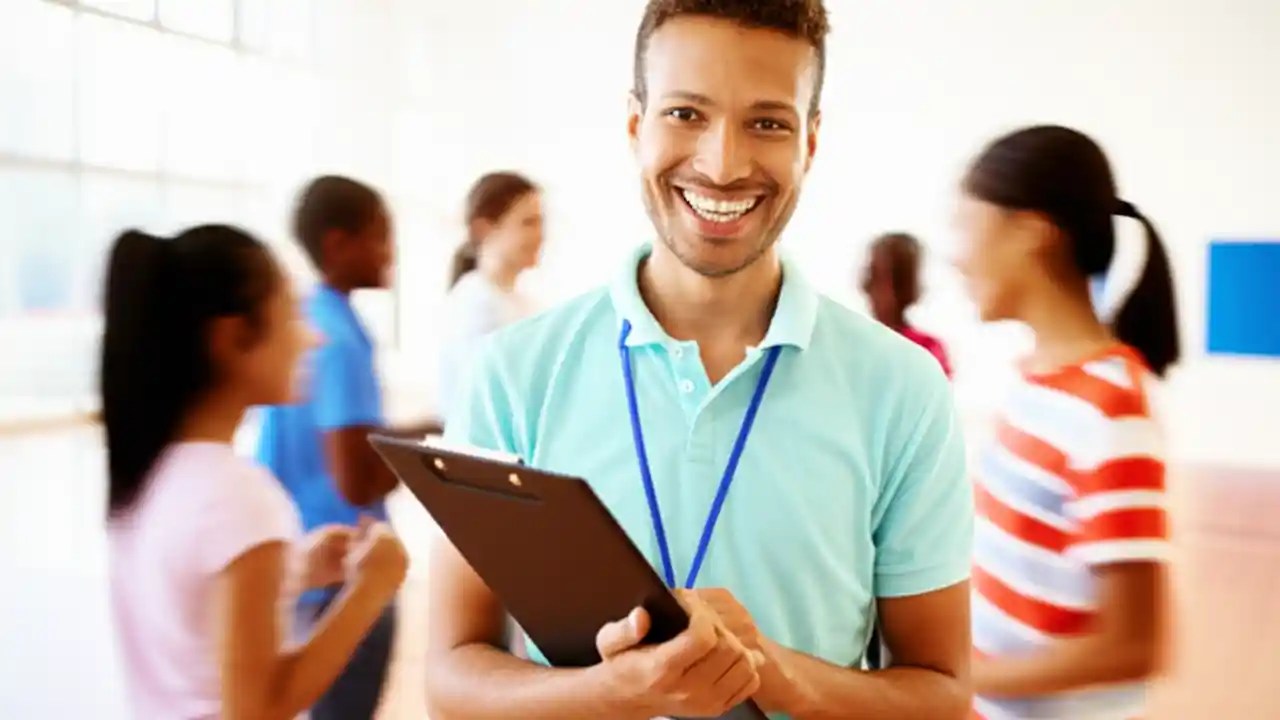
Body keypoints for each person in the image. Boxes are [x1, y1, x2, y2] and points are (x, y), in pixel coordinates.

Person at [427, 1, 974, 718]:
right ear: (635, 126)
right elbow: (449, 677)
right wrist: (611, 692)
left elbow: (942, 693)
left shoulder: (902, 388)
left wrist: (777, 675)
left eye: (768, 123)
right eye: (687, 113)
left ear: (810, 142)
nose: (722, 164)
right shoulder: (514, 372)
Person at [103, 226, 407, 719]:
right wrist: (370, 590)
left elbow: (193, 622)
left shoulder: (155, 474)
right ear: (233, 336)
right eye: (291, 314)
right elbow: (258, 710)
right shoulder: (238, 495)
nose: (314, 336)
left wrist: (291, 573)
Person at [953, 125, 1178, 719]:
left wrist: (963, 678)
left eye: (965, 227)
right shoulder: (1031, 380)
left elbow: (1135, 648)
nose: (954, 254)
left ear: (1032, 233)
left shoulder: (1109, 410)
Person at [254, 176, 431, 719]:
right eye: (379, 236)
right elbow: (355, 478)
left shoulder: (307, 320)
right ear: (337, 244)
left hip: (301, 566)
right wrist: (422, 451)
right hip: (344, 571)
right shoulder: (339, 340)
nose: (391, 252)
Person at [439, 171, 544, 425]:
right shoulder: (474, 302)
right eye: (528, 223)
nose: (540, 235)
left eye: (541, 223)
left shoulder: (521, 302)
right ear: (483, 229)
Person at [861, 232, 953, 378]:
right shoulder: (854, 344)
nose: (867, 287)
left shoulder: (927, 350)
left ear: (904, 287)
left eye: (879, 277)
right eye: (870, 275)